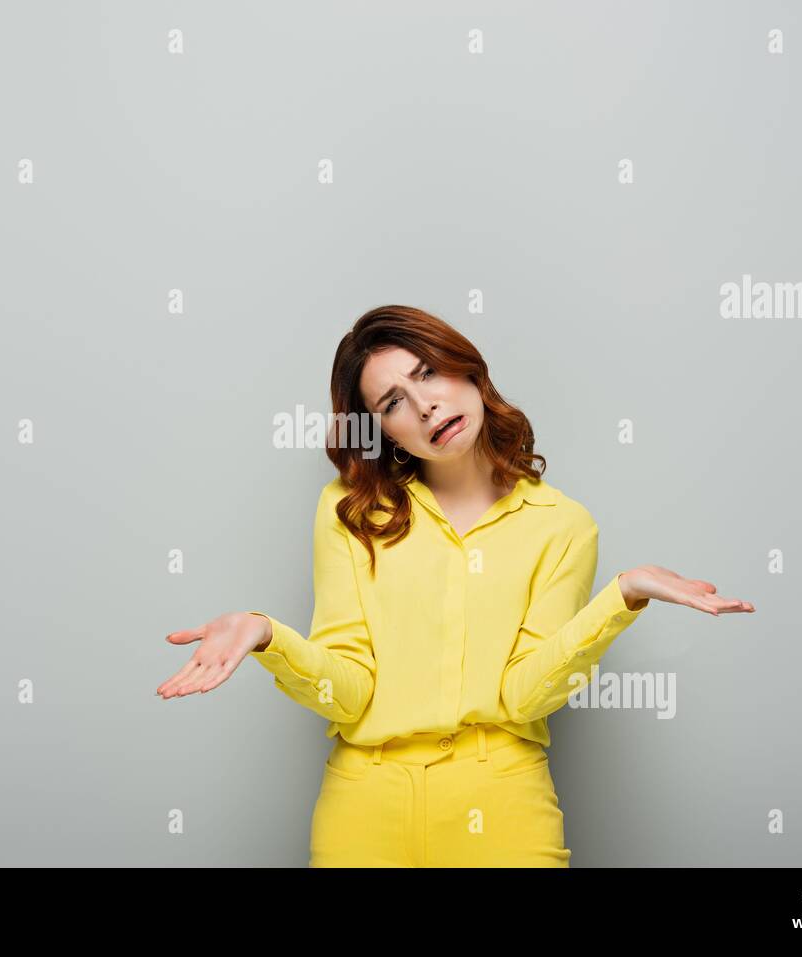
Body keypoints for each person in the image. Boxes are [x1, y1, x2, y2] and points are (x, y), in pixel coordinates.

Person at [156, 304, 754, 867]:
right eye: (394, 401)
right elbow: (349, 693)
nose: (425, 407)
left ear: (467, 369)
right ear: (382, 430)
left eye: (429, 374)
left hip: (503, 805)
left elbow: (524, 696)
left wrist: (624, 595)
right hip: (363, 808)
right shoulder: (348, 511)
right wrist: (267, 635)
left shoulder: (563, 525)